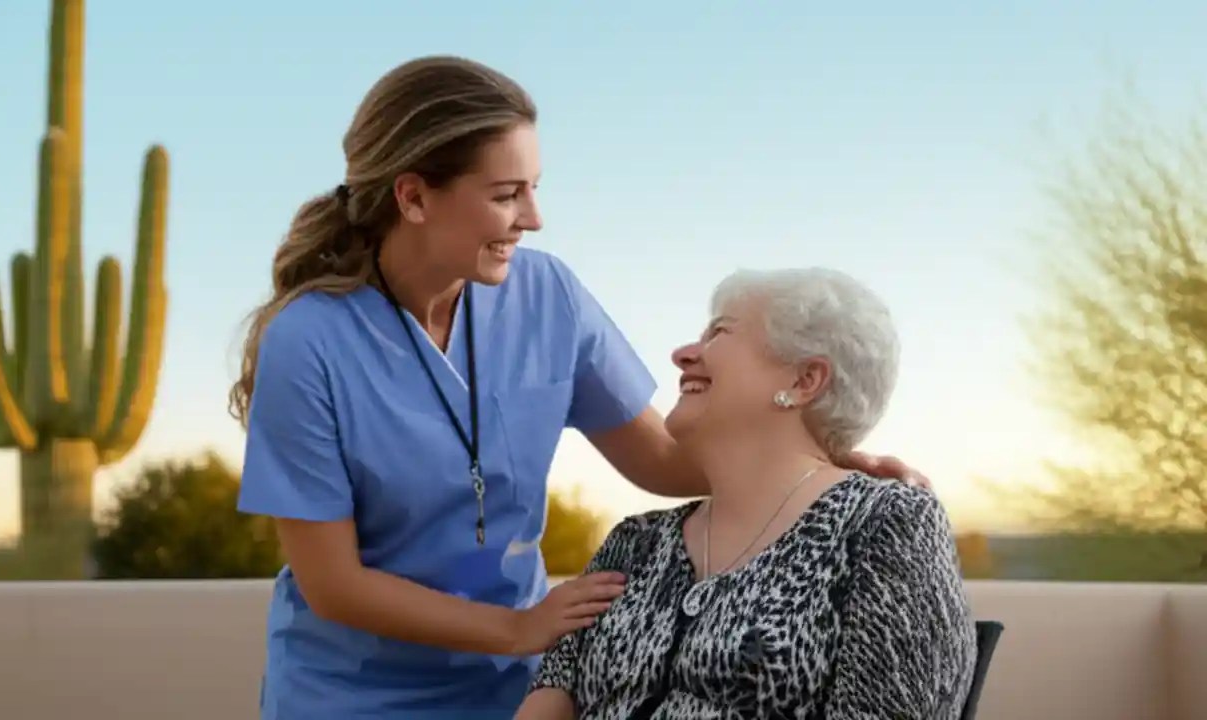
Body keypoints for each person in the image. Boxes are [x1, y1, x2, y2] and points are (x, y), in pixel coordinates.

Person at [231, 55, 930, 720]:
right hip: (353, 698)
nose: (533, 218)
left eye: (535, 188)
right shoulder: (307, 342)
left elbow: (665, 461)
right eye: (507, 195)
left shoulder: (548, 296)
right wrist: (515, 627)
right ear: (412, 196)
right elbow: (332, 585)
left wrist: (819, 469)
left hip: (515, 689)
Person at [516, 267, 978, 719]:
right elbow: (551, 696)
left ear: (803, 381)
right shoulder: (634, 543)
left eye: (719, 333)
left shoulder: (886, 524)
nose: (682, 354)